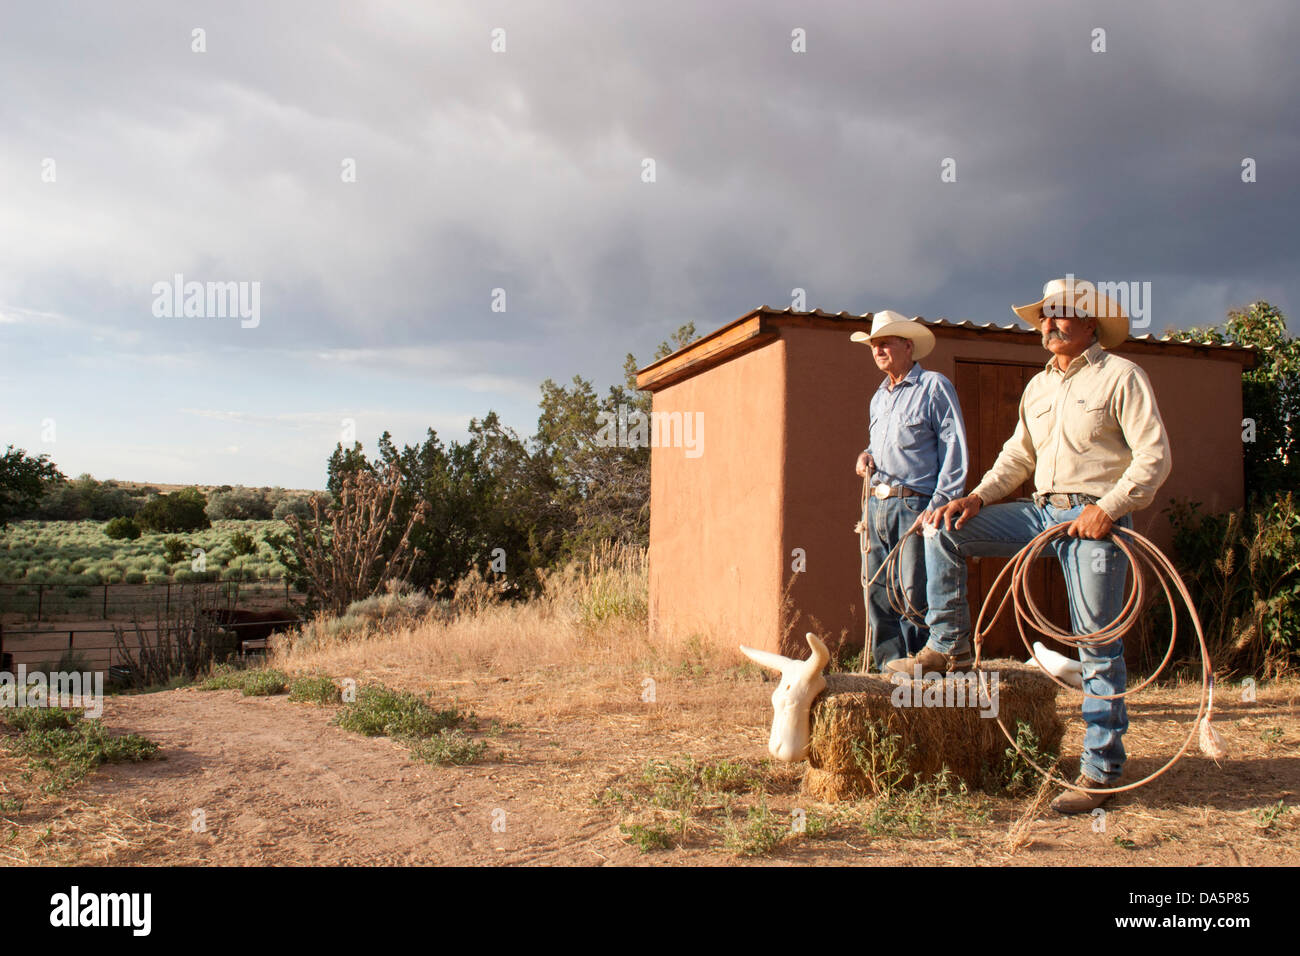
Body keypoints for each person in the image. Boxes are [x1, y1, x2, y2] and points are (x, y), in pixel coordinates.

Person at [887, 277, 1172, 814]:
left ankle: (1101, 774)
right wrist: (973, 497)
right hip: (1041, 512)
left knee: (1097, 641)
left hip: (1096, 519)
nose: (1049, 324)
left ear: (1090, 323)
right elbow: (1016, 458)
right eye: (1044, 316)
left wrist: (1107, 509)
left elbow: (1153, 457)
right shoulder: (1038, 387)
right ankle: (949, 644)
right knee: (942, 527)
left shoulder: (1122, 376)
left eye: (1061, 315)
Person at [852, 310, 968, 672]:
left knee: (912, 592)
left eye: (885, 342)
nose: (878, 349)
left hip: (914, 503)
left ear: (908, 345)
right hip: (877, 505)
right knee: (878, 591)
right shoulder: (879, 398)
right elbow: (882, 446)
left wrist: (938, 505)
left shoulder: (934, 387)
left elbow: (954, 448)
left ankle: (921, 668)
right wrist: (865, 456)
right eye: (874, 344)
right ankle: (888, 671)